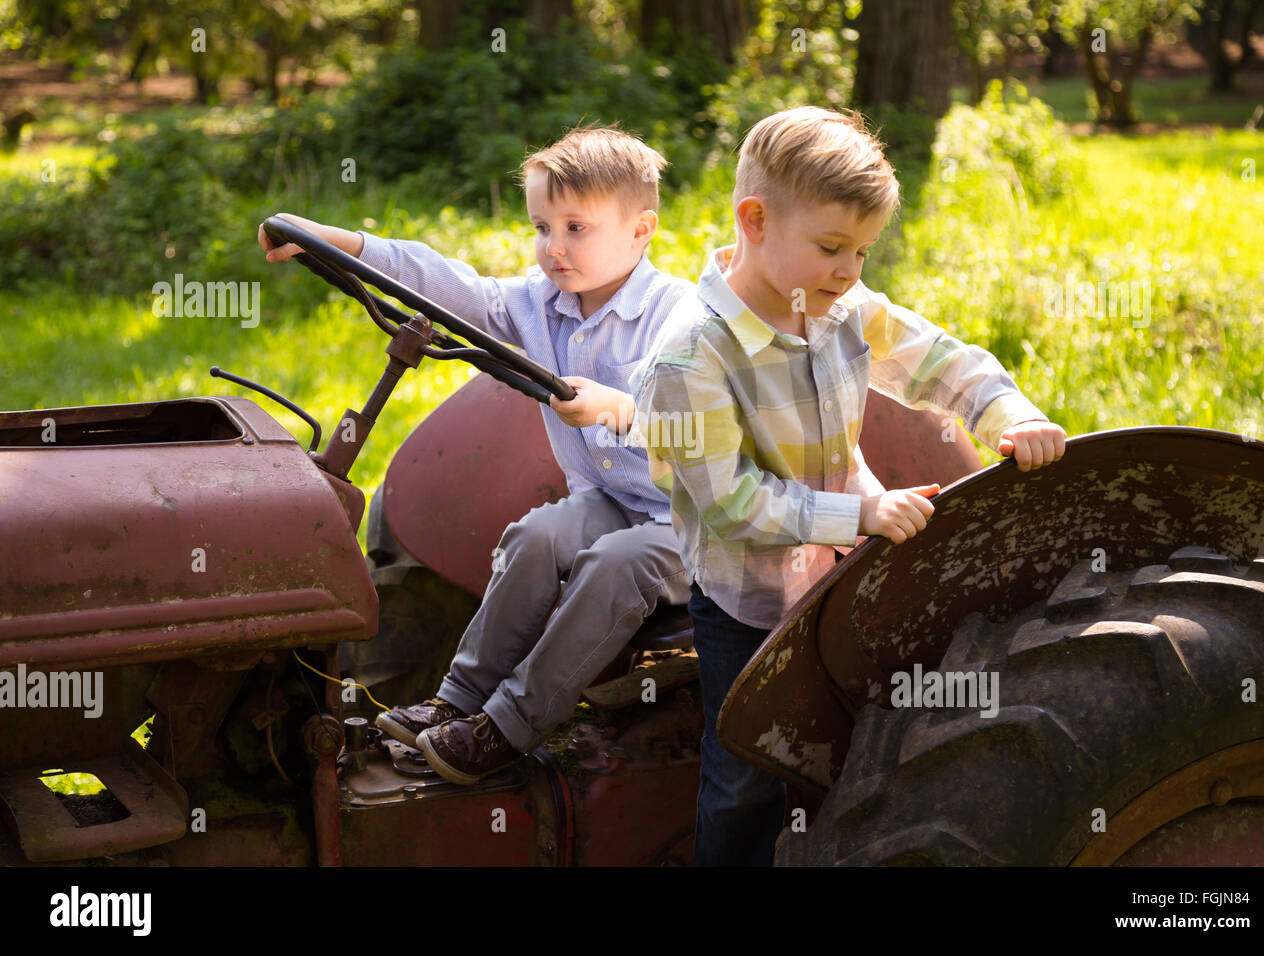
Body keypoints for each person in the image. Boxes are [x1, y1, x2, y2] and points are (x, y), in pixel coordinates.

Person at [634, 106, 1068, 866]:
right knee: (745, 771)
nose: (849, 271)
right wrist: (861, 511)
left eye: (863, 253)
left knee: (860, 732)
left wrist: (1010, 410)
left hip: (844, 569)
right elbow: (730, 504)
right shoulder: (687, 361)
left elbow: (936, 358)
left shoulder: (842, 310)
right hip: (748, 600)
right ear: (755, 219)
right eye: (833, 247)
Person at [258, 126, 693, 785]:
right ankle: (457, 700)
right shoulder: (540, 305)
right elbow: (446, 284)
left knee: (612, 563)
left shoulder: (680, 316)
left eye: (577, 228)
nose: (554, 248)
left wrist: (614, 404)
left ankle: (508, 728)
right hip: (613, 501)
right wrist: (342, 243)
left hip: (704, 521)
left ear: (641, 230)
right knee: (537, 533)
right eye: (542, 227)